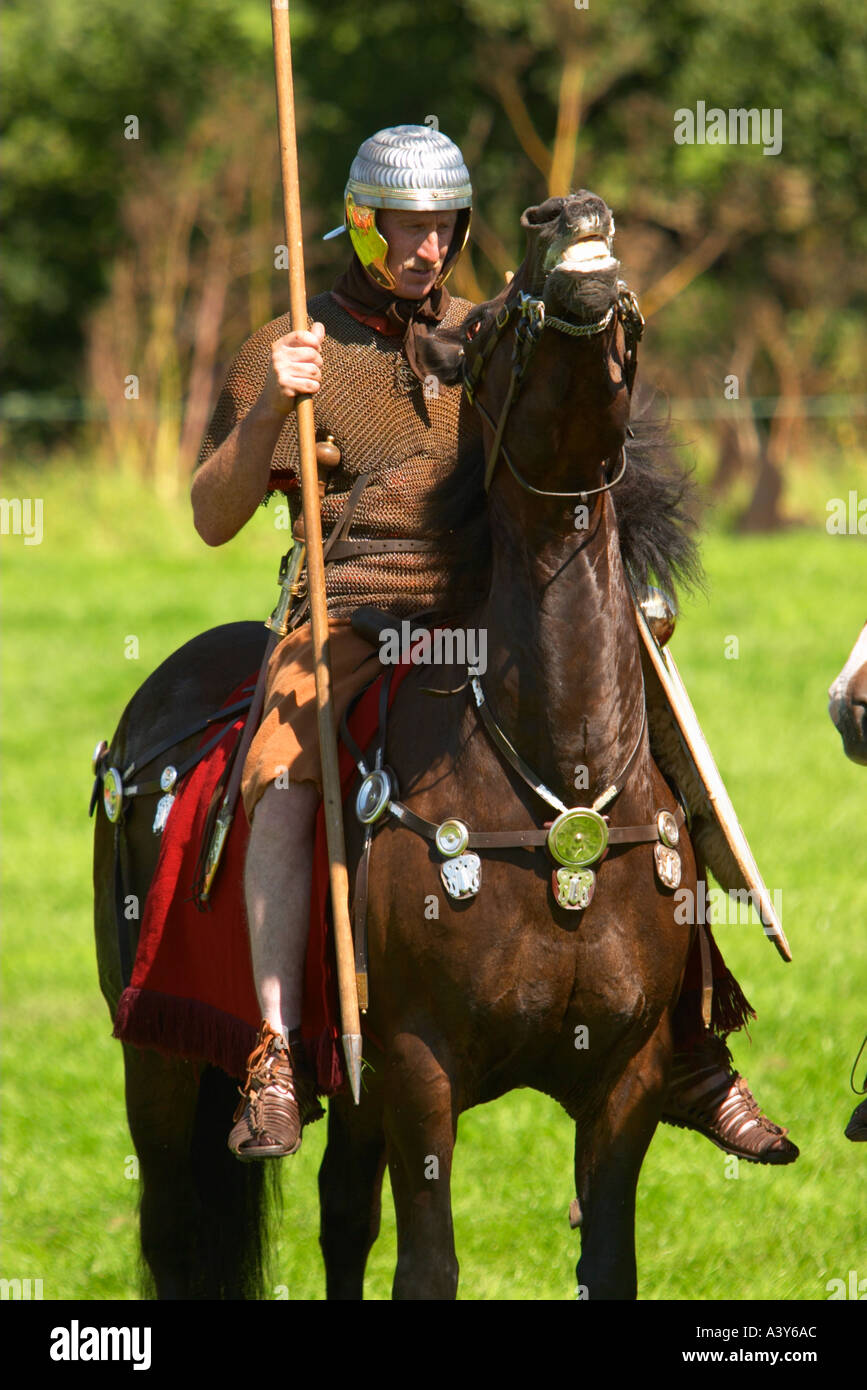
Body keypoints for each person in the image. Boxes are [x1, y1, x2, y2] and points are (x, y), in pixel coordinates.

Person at [190, 124, 797, 1168]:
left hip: (500, 611)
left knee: (653, 745)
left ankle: (691, 1040)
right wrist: (267, 418)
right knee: (280, 778)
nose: (427, 248)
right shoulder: (294, 345)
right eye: (406, 227)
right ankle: (276, 1051)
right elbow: (210, 515)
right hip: (355, 616)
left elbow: (575, 412)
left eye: (443, 227)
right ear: (363, 225)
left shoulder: (484, 335)